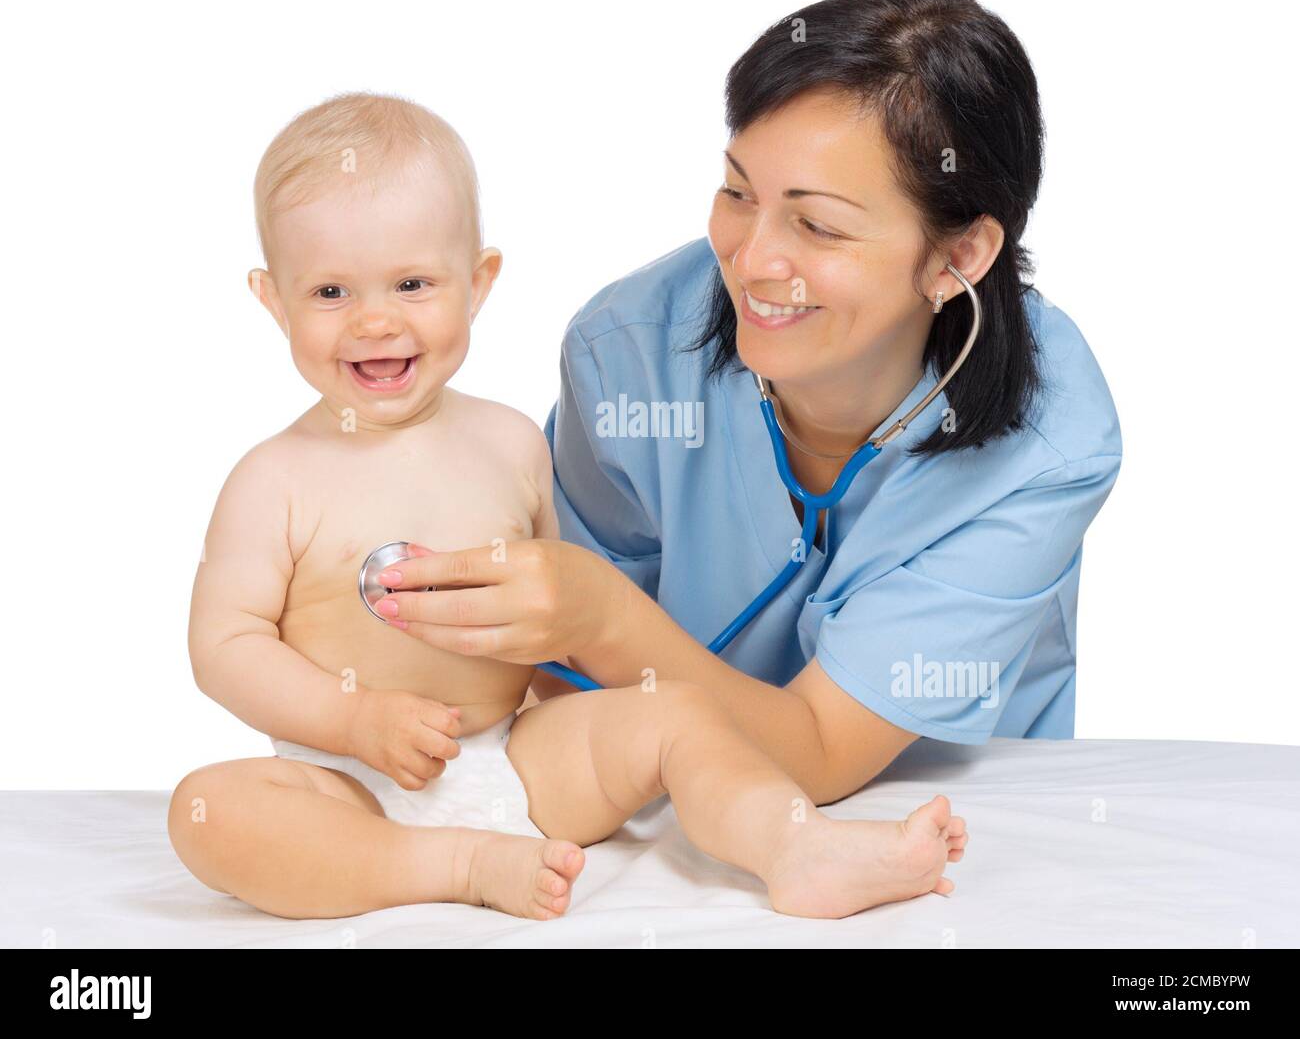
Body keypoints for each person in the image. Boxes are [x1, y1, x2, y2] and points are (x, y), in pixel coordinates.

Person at [168, 91, 966, 924]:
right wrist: (353, 718)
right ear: (273, 300)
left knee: (678, 713)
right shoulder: (275, 479)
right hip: (345, 783)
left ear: (478, 284)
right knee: (213, 812)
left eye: (412, 282)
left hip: (514, 761)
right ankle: (453, 866)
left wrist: (585, 724)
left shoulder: (511, 444)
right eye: (330, 292)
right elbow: (224, 647)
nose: (375, 320)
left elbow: (551, 630)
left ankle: (793, 846)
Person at [382, 0, 1123, 808]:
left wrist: (602, 620)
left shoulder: (1050, 445)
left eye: (819, 226)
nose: (750, 259)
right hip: (675, 808)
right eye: (739, 193)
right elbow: (562, 684)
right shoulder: (630, 354)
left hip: (957, 820)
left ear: (961, 255)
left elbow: (822, 752)